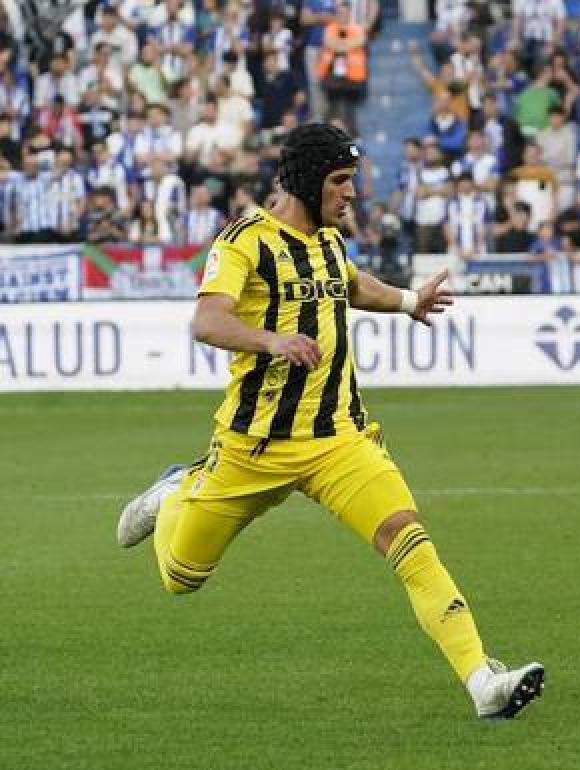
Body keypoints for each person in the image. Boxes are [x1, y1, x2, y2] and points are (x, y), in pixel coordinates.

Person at [114, 124, 544, 720]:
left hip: (339, 438)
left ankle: (482, 681)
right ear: (308, 182)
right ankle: (175, 492)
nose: (352, 194)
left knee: (410, 541)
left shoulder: (329, 242)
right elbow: (207, 322)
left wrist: (403, 301)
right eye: (341, 181)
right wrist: (272, 340)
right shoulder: (245, 240)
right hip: (253, 446)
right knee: (181, 577)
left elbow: (347, 285)